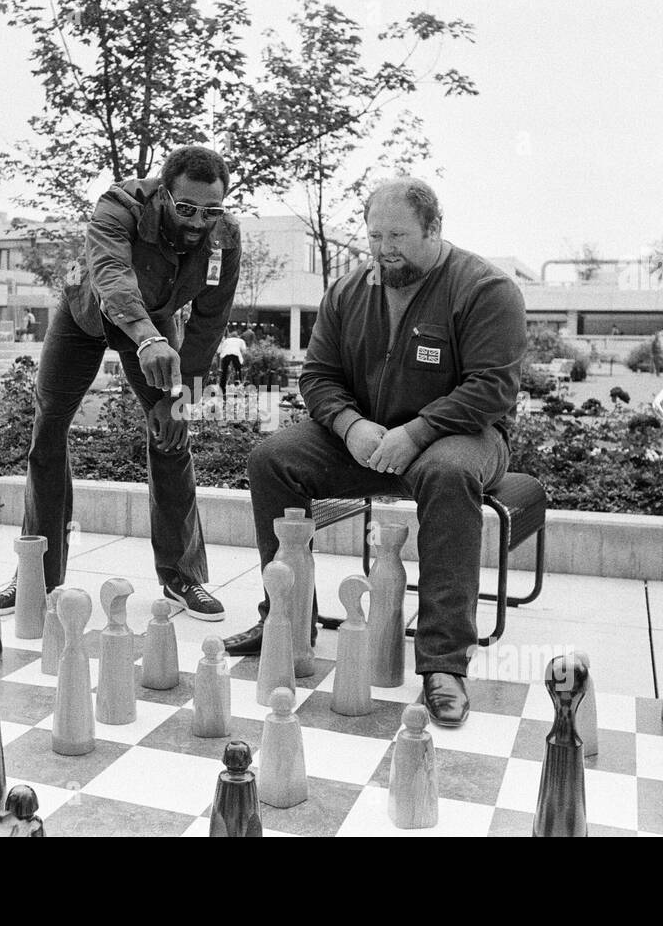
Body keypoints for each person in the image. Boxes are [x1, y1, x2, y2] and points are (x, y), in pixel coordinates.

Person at [221, 177, 526, 727]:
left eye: (399, 235)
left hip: (464, 436)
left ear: (434, 229)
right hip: (365, 436)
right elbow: (318, 377)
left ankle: (442, 663)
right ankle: (285, 621)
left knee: (450, 473)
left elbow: (492, 388)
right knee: (272, 458)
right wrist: (349, 423)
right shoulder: (347, 291)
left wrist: (415, 433)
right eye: (374, 234)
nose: (384, 248)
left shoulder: (486, 290)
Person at [0, 145, 240, 621]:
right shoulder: (118, 205)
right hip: (87, 315)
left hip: (157, 325)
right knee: (48, 432)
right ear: (163, 194)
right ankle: (36, 573)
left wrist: (181, 398)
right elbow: (112, 276)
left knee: (172, 436)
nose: (197, 221)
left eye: (211, 210)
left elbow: (211, 321)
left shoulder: (224, 238)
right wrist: (147, 341)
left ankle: (182, 577)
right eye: (186, 208)